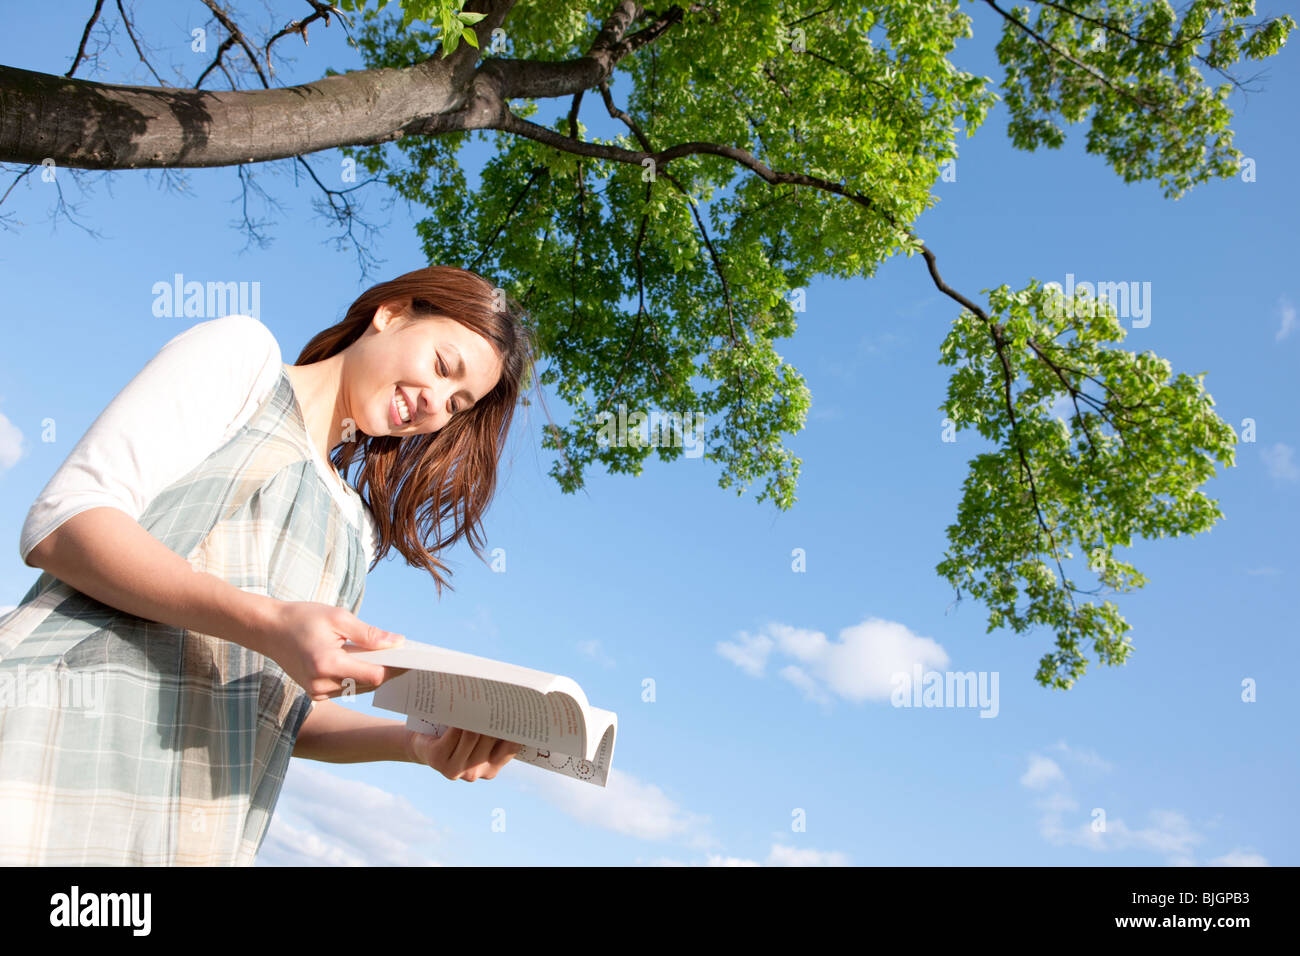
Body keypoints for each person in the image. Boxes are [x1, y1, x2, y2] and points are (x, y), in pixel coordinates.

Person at [0, 264, 538, 865]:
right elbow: (62, 523)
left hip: (184, 832)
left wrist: (416, 744)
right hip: (48, 755)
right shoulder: (246, 362)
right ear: (391, 314)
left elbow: (274, 709)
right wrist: (268, 622)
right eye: (443, 367)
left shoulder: (355, 529)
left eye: (458, 403)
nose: (436, 403)